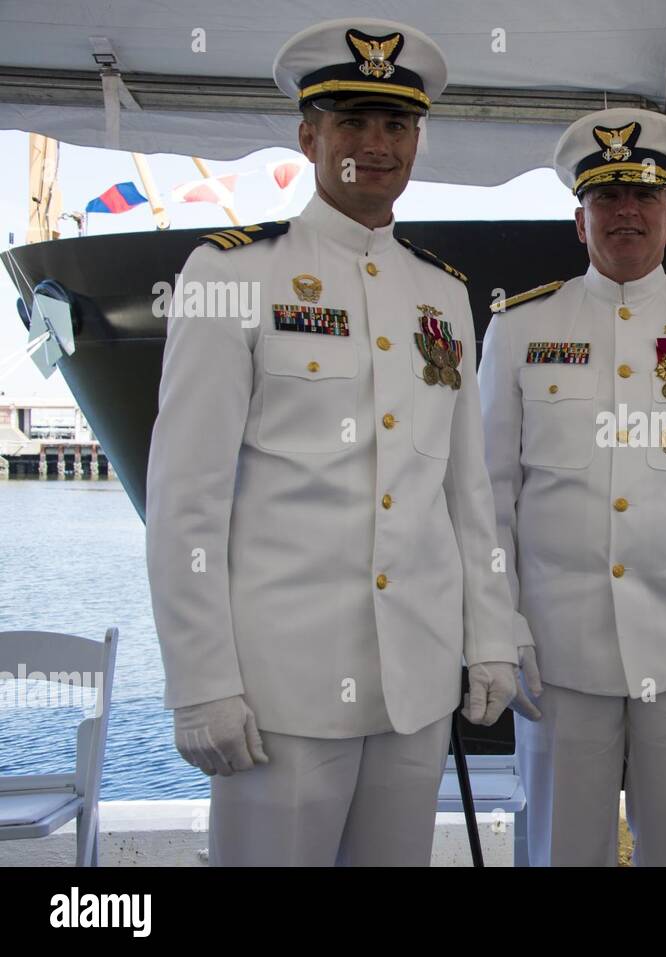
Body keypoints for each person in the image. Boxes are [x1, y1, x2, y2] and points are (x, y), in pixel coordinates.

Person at [145, 18, 518, 866]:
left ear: (418, 139)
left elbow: (467, 494)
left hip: (413, 684)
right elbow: (184, 498)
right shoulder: (231, 274)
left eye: (396, 125)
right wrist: (201, 681)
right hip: (280, 689)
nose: (376, 145)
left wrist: (489, 633)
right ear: (308, 135)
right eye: (353, 121)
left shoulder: (442, 294)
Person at [479, 108, 666, 866]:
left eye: (645, 197)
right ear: (578, 222)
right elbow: (487, 493)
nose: (626, 212)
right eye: (606, 198)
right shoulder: (520, 328)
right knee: (561, 849)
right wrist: (498, 624)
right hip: (555, 645)